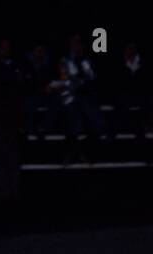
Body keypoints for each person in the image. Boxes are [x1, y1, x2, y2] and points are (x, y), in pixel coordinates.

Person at [0, 38, 28, 201]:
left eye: (7, 47)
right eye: (2, 48)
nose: (5, 50)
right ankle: (3, 192)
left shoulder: (16, 68)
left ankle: (14, 191)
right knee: (1, 157)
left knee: (13, 157)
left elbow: (21, 94)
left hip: (13, 119)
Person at [59, 34, 106, 164]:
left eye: (79, 44)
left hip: (86, 98)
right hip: (71, 98)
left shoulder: (87, 60)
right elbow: (65, 79)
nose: (77, 47)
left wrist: (81, 82)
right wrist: (78, 83)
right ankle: (72, 154)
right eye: (74, 44)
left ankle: (86, 153)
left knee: (96, 125)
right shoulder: (65, 61)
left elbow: (92, 78)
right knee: (72, 124)